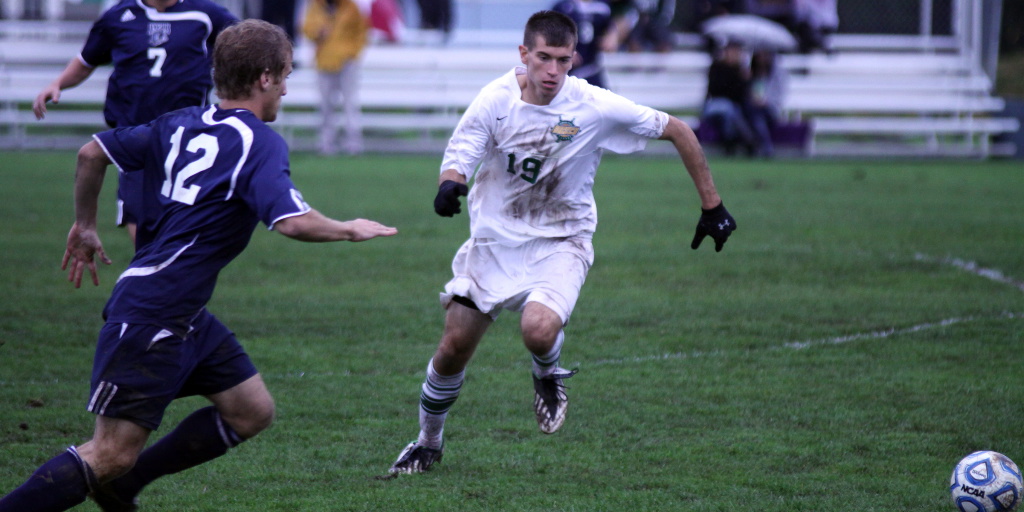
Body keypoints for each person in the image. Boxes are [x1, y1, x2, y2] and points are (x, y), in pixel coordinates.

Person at [0, 19, 397, 512]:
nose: (288, 89)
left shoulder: (180, 122)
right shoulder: (259, 142)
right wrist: (349, 227)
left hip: (181, 311)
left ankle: (123, 486)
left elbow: (91, 152)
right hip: (154, 313)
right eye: (287, 75)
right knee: (109, 453)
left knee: (251, 411)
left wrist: (84, 224)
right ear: (266, 78)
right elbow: (292, 222)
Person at [387, 10, 736, 475]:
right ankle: (428, 443)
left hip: (562, 239)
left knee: (538, 328)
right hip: (494, 242)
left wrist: (712, 207)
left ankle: (548, 373)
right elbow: (462, 153)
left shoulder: (591, 103)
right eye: (544, 58)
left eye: (563, 60)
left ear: (575, 58)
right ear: (524, 54)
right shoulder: (494, 100)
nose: (553, 71)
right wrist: (450, 184)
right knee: (452, 348)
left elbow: (677, 129)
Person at [33, 0, 239, 245]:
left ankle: (168, 268)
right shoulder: (119, 16)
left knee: (187, 219)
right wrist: (58, 83)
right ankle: (151, 269)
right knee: (139, 219)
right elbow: (87, 59)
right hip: (134, 132)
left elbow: (244, 47)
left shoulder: (206, 14)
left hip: (187, 136)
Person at [302, 0, 370, 156]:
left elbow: (361, 31)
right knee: (325, 105)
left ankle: (353, 143)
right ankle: (326, 142)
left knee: (349, 103)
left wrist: (353, 53)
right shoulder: (316, 6)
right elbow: (306, 28)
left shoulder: (350, 7)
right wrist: (318, 32)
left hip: (346, 61)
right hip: (324, 60)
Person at [700, 40, 756, 156]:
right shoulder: (717, 67)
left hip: (732, 109)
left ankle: (730, 144)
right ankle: (749, 140)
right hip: (715, 105)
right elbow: (715, 90)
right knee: (729, 109)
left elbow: (741, 96)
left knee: (729, 116)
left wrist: (746, 80)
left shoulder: (741, 71)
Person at [551, 0, 614, 89]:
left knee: (603, 99)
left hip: (591, 68)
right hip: (567, 71)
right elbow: (550, 32)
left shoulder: (602, 7)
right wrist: (564, 49)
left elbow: (610, 27)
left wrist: (611, 37)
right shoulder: (562, 7)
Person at [744, 49, 787, 157]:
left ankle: (762, 145)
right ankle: (764, 146)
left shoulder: (776, 74)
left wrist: (766, 102)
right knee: (754, 113)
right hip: (752, 109)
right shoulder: (749, 74)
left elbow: (779, 95)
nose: (762, 58)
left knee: (756, 115)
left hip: (770, 109)